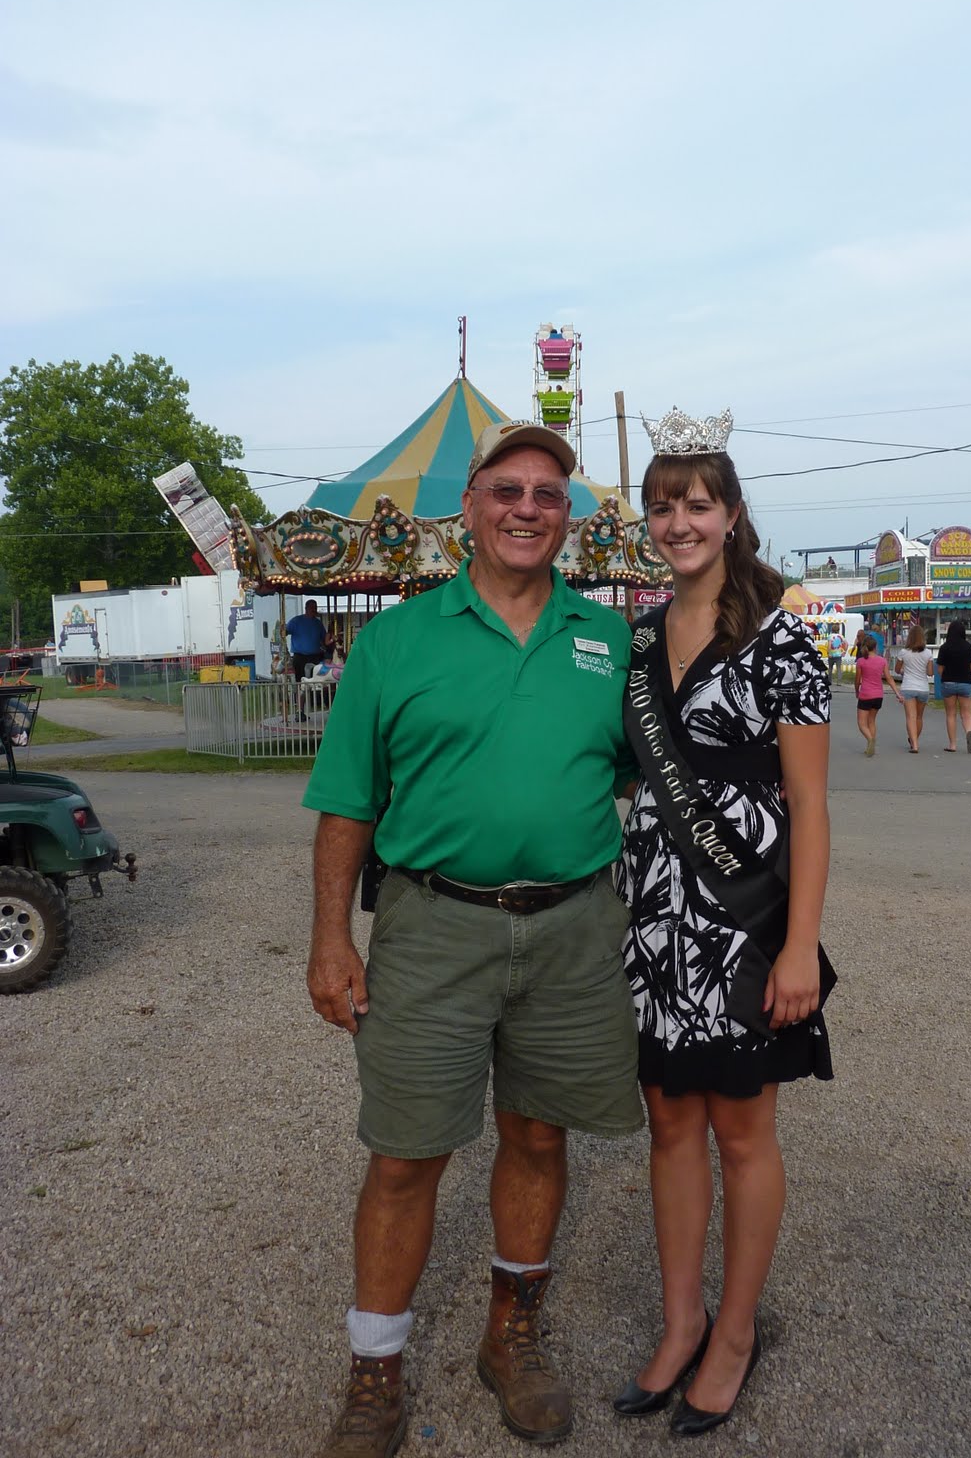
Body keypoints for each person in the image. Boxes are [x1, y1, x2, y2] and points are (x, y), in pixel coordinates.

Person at [303, 421, 642, 1455]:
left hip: (574, 928)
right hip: (431, 926)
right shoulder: (399, 641)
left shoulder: (609, 638)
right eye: (508, 489)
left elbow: (634, 772)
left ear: (568, 514)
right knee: (407, 1154)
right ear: (471, 507)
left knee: (541, 1134)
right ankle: (376, 1366)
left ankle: (512, 1333)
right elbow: (347, 801)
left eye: (549, 492)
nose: (528, 508)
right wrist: (329, 937)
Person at [613, 413, 833, 1437]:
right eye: (663, 504)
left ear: (734, 513)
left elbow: (814, 806)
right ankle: (679, 1320)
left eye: (698, 502)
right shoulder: (638, 637)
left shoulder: (784, 636)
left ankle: (737, 1331)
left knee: (743, 1131)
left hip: (745, 918)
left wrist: (799, 945)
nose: (679, 521)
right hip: (657, 917)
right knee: (669, 1122)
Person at [854, 633, 902, 756]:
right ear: (875, 647)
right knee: (872, 721)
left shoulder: (861, 661)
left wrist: (856, 691)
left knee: (861, 723)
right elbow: (889, 678)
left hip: (865, 694)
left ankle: (870, 740)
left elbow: (857, 679)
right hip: (878, 695)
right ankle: (870, 746)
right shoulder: (882, 661)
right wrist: (897, 693)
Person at [937, 617, 971, 753]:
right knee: (966, 714)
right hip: (965, 682)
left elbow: (940, 669)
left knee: (951, 714)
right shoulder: (968, 647)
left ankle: (953, 745)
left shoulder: (944, 647)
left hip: (948, 683)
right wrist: (969, 677)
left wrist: (944, 678)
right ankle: (969, 731)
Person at [893, 625, 934, 752]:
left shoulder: (904, 653)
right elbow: (930, 673)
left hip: (908, 687)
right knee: (919, 717)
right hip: (923, 688)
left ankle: (914, 744)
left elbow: (897, 669)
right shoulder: (928, 653)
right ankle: (914, 739)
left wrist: (904, 671)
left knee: (910, 717)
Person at [287, 599, 330, 684]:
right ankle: (300, 695)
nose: (314, 610)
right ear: (306, 608)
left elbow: (324, 639)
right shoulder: (296, 621)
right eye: (311, 608)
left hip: (315, 656)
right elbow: (286, 631)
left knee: (317, 678)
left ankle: (314, 696)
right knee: (300, 679)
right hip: (300, 657)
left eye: (315, 607)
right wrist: (283, 630)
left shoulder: (318, 623)